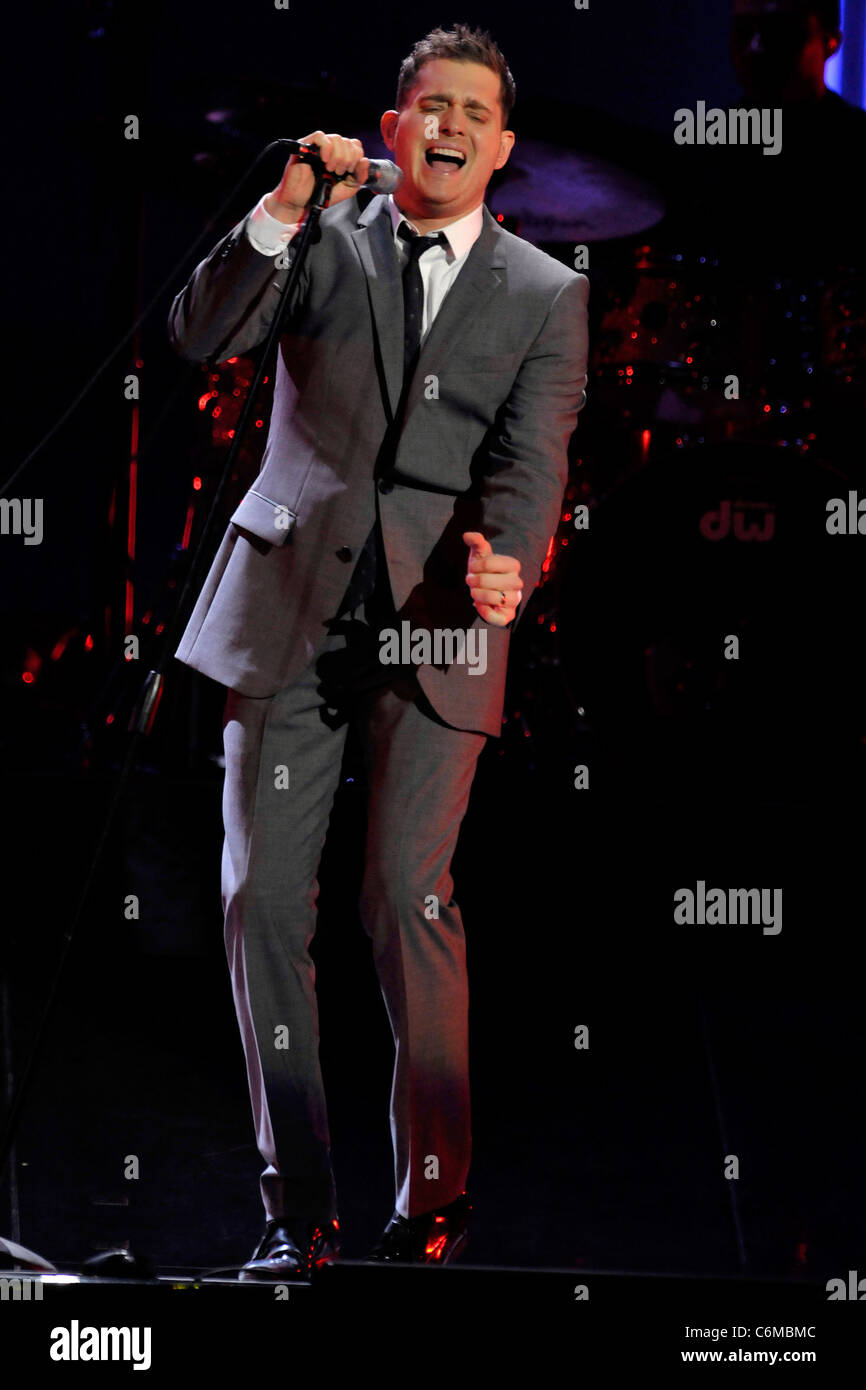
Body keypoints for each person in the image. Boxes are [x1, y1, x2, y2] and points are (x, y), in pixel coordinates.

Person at [167, 24, 589, 1280]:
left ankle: (430, 1205)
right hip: (290, 598)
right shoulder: (321, 237)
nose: (449, 124)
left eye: (474, 109)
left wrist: (509, 557)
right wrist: (278, 207)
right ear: (395, 126)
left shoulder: (545, 293)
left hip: (438, 628)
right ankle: (296, 1212)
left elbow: (530, 465)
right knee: (258, 902)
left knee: (406, 897)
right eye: (428, 105)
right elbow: (201, 337)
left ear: (501, 146)